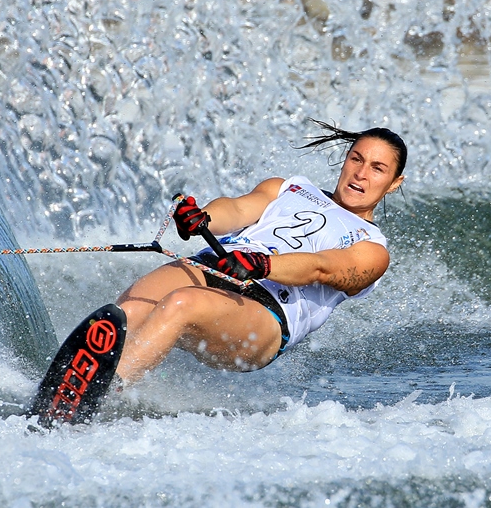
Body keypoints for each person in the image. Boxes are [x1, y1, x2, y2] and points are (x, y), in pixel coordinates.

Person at [113, 121, 407, 383]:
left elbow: (322, 267)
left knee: (181, 303)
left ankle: (108, 393)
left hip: (266, 311)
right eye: (356, 159)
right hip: (217, 265)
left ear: (394, 183)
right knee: (130, 310)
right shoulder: (289, 188)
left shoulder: (372, 248)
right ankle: (81, 375)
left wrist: (262, 265)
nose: (361, 173)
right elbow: (238, 208)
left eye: (377, 168)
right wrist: (203, 217)